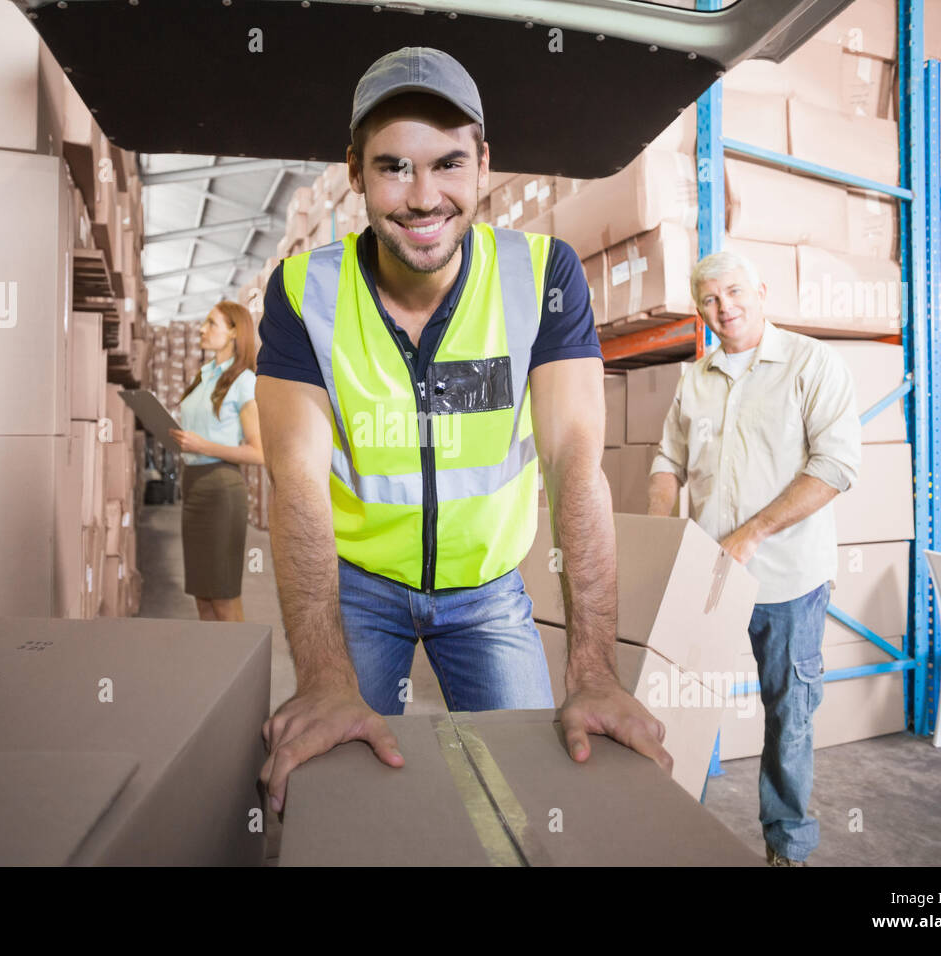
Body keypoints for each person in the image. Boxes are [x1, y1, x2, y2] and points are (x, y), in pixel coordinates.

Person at [254, 46, 673, 813]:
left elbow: (576, 465)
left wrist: (595, 671)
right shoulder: (302, 292)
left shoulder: (542, 276)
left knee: (534, 793)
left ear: (484, 164)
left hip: (487, 593)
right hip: (360, 590)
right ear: (355, 172)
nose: (423, 198)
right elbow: (296, 481)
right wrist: (322, 681)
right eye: (393, 168)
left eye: (448, 164)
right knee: (341, 799)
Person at [646, 250, 862, 867]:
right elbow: (668, 463)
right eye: (710, 299)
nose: (725, 308)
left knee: (789, 713)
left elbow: (837, 465)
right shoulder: (696, 379)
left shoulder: (810, 364)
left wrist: (752, 534)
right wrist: (664, 528)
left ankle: (786, 847)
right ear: (700, 308)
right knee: (681, 702)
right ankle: (674, 828)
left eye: (735, 292)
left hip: (790, 578)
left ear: (762, 291)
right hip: (707, 578)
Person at [168, 301, 264, 622]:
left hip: (221, 490)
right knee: (202, 596)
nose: (202, 329)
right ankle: (216, 668)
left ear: (235, 332)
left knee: (223, 597)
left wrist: (203, 444)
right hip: (193, 485)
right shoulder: (203, 377)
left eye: (211, 324)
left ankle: (241, 671)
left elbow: (258, 452)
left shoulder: (244, 382)